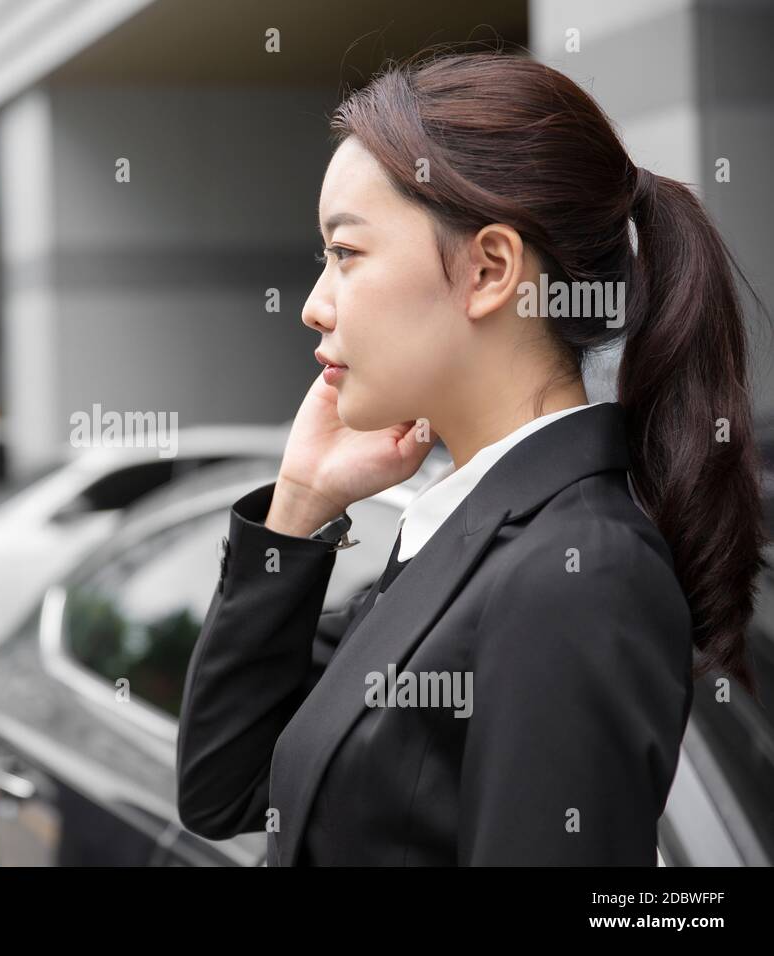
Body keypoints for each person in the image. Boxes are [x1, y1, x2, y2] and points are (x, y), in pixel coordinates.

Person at [176, 51, 767, 866]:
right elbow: (225, 789)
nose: (314, 306)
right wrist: (301, 506)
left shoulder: (576, 571)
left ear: (490, 270)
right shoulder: (472, 531)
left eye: (346, 253)